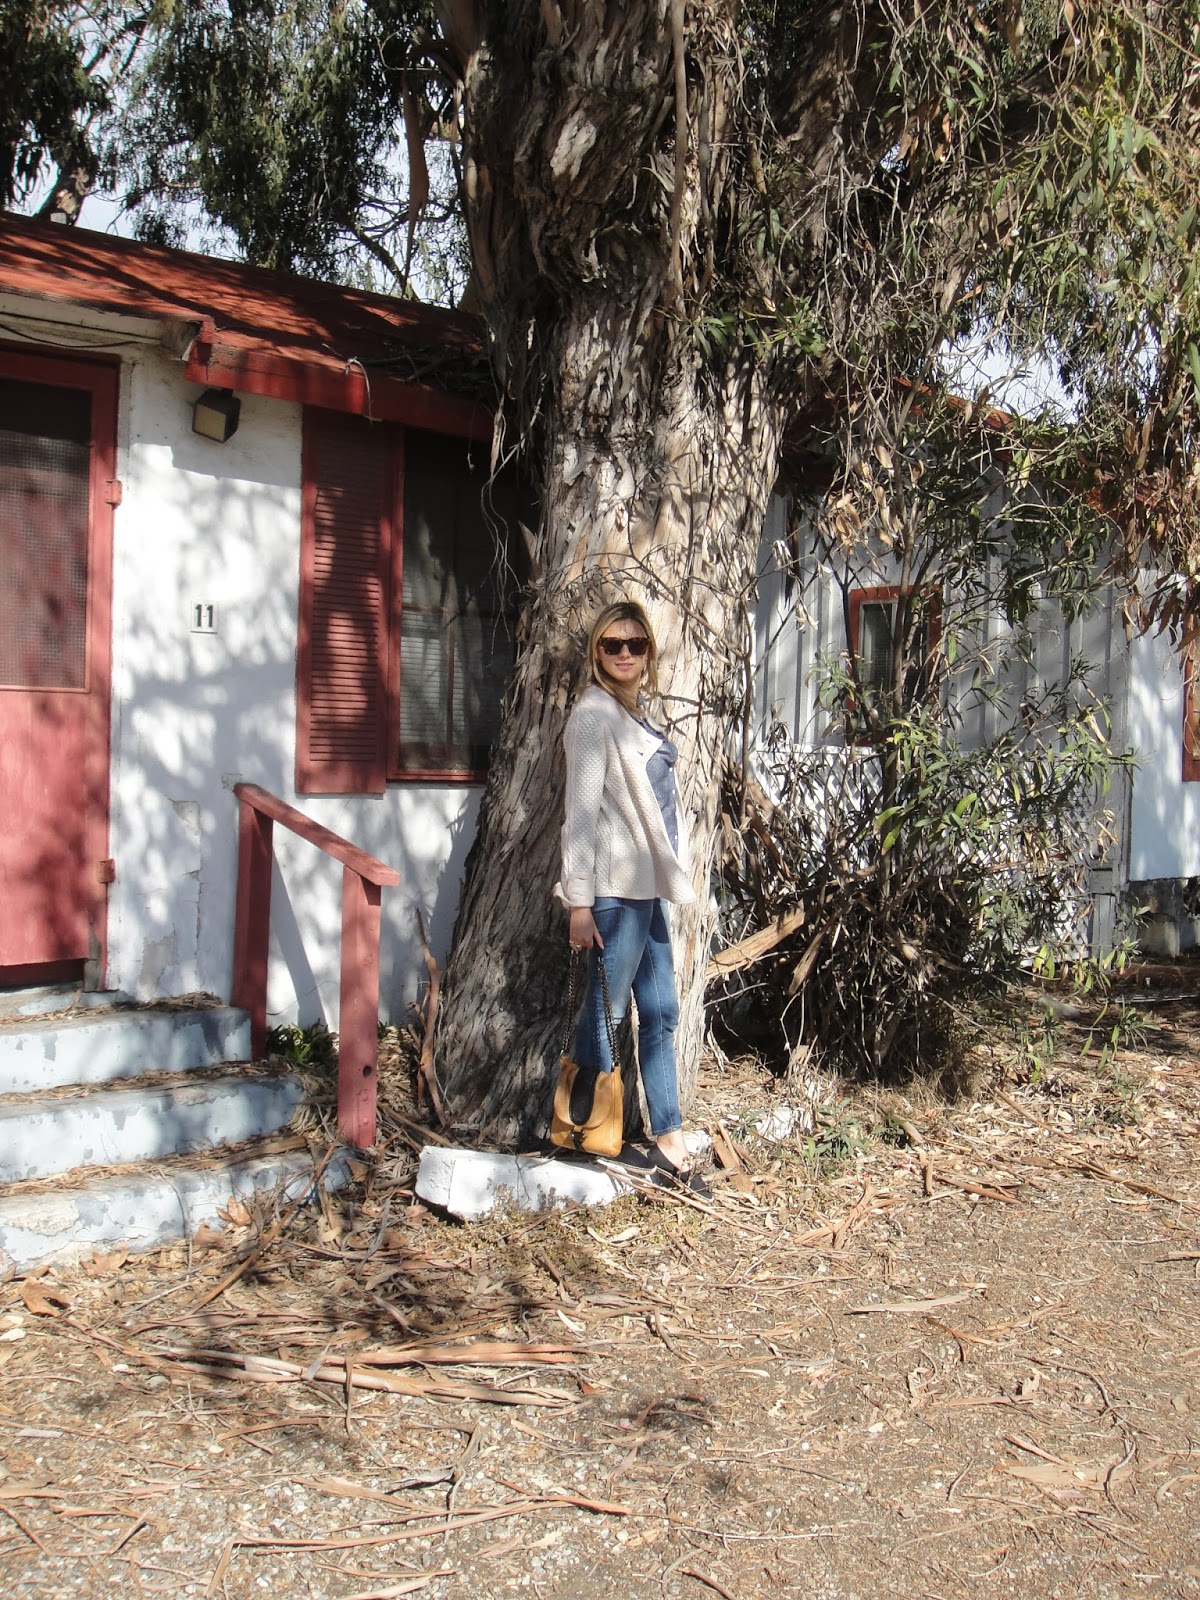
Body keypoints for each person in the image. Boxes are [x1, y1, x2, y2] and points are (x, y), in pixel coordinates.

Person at [555, 599, 709, 1192]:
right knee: (605, 1011)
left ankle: (666, 1133)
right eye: (611, 645)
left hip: (647, 893)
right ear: (596, 653)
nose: (624, 654)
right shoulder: (593, 717)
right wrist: (579, 902)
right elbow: (580, 817)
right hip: (615, 895)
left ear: (649, 653)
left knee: (663, 1012)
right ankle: (580, 1135)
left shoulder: (632, 716)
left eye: (635, 645)